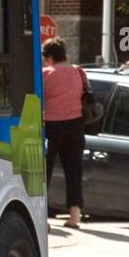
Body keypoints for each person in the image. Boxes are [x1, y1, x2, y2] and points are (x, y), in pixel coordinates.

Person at [42, 37, 87, 227]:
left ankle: (42, 216)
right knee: (74, 170)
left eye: (45, 57)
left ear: (50, 57)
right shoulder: (78, 71)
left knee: (44, 171)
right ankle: (74, 214)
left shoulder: (46, 74)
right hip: (75, 125)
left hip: (51, 126)